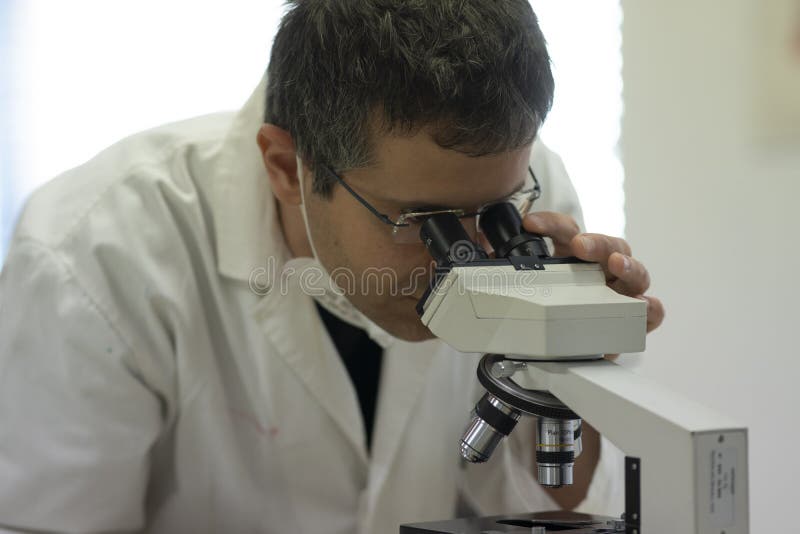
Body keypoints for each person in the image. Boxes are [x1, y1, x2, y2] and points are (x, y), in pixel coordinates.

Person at [0, 1, 664, 533]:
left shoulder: (530, 192)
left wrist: (578, 382)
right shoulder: (93, 257)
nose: (467, 260)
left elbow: (549, 505)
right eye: (421, 222)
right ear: (288, 168)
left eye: (492, 211)